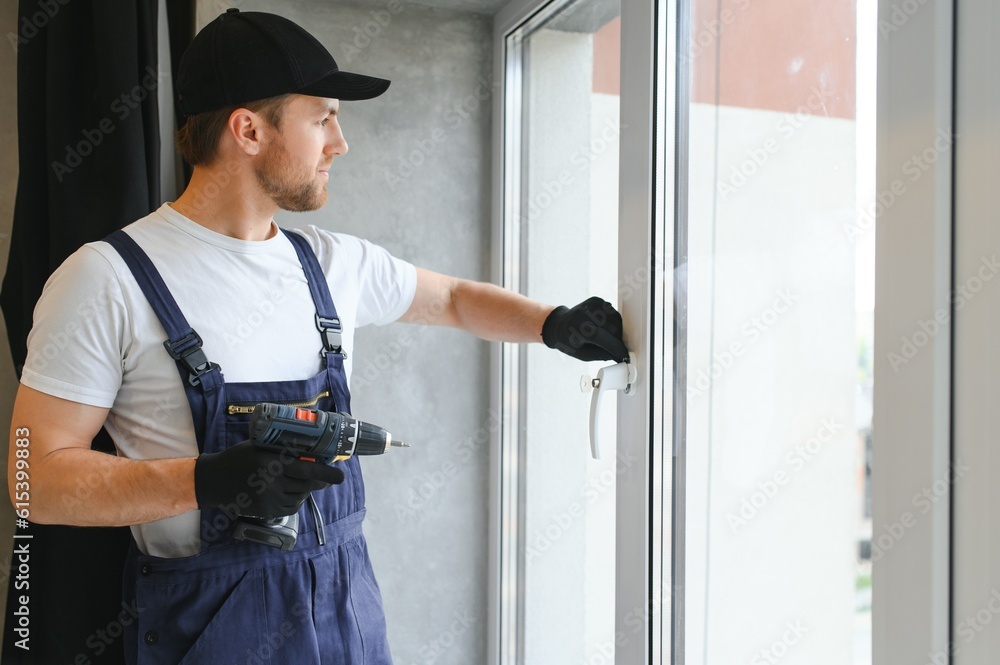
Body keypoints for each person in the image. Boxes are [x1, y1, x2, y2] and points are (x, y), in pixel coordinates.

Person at [6, 9, 629, 664]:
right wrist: (205, 480)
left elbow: (450, 298)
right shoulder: (106, 279)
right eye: (323, 118)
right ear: (249, 130)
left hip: (347, 617)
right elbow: (32, 479)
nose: (340, 142)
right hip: (209, 632)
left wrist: (554, 323)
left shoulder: (331, 264)